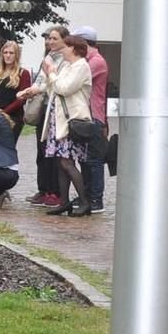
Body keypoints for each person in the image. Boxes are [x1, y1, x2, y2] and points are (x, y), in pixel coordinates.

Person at [39, 34, 96, 217]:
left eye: (64, 47)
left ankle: (84, 201)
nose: (61, 51)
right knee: (59, 162)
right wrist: (51, 76)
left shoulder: (81, 66)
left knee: (68, 162)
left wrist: (52, 74)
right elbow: (53, 88)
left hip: (72, 120)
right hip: (60, 120)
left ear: (73, 48)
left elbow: (64, 88)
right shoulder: (68, 66)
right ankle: (64, 202)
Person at [22, 26, 69, 207]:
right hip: (45, 108)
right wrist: (29, 91)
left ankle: (55, 191)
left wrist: (48, 76)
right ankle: (43, 189)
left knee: (54, 153)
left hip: (57, 110)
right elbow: (41, 82)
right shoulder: (48, 58)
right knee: (42, 151)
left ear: (64, 40)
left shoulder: (67, 60)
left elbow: (58, 83)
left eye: (54, 39)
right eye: (48, 39)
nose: (50, 42)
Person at [71, 26, 110, 213]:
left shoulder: (95, 62)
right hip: (87, 116)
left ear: (84, 43)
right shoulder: (88, 60)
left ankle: (96, 199)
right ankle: (86, 195)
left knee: (93, 161)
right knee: (85, 160)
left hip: (93, 116)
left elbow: (74, 79)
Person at [0, 42, 32, 145]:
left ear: (17, 55)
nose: (8, 55)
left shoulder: (23, 73)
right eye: (5, 52)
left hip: (12, 117)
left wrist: (4, 112)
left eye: (11, 53)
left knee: (6, 150)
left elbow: (22, 99)